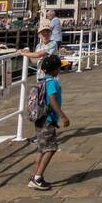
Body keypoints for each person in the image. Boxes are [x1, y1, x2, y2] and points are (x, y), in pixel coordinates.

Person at [28, 53, 69, 191]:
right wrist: (63, 116)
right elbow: (51, 99)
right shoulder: (52, 83)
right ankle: (38, 178)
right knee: (51, 149)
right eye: (59, 67)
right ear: (55, 69)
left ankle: (35, 175)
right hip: (48, 119)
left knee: (42, 149)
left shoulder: (42, 81)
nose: (60, 70)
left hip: (40, 119)